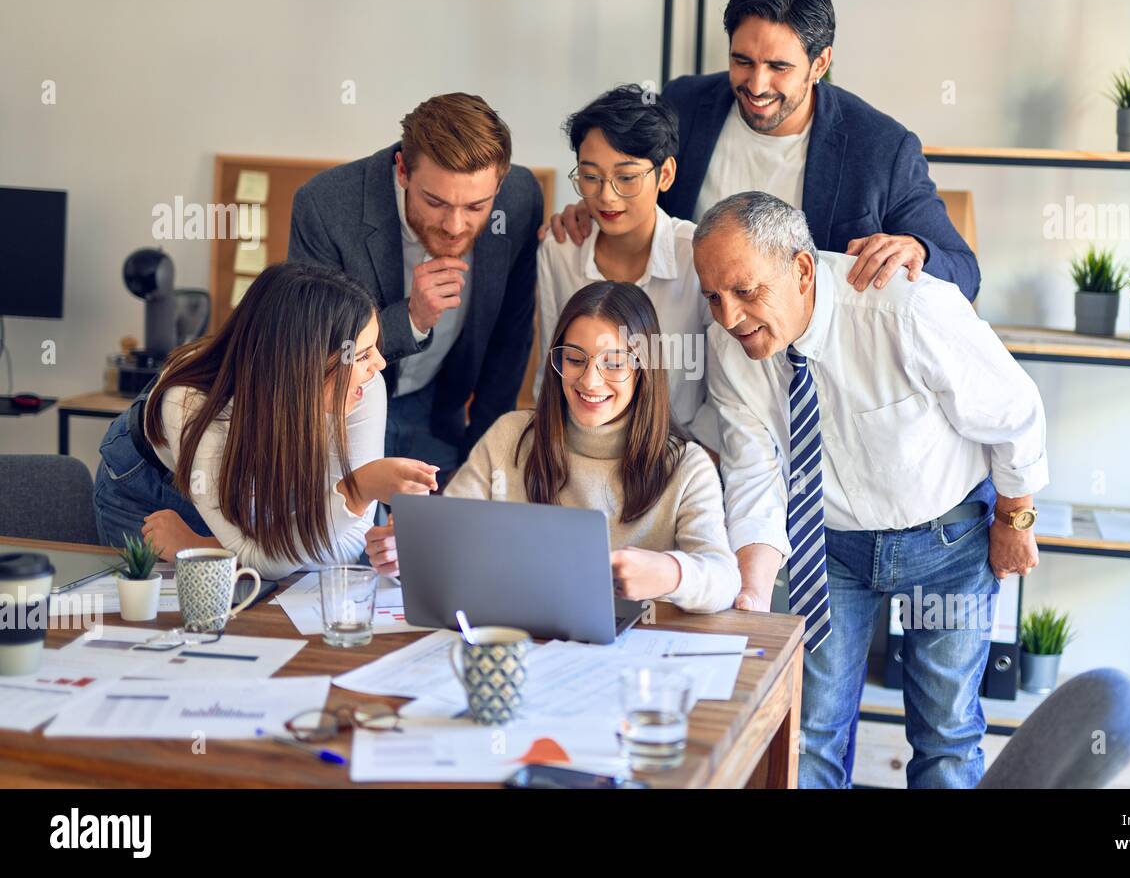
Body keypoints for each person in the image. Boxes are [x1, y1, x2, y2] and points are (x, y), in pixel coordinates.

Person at [694, 192, 1048, 788]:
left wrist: (1015, 521)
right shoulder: (731, 348)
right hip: (832, 551)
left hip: (949, 544)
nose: (729, 317)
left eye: (745, 291)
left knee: (946, 736)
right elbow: (753, 471)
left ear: (802, 269)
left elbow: (1015, 413)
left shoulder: (908, 310)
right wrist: (752, 593)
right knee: (810, 733)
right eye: (713, 297)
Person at [544, 0, 979, 301]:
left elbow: (964, 271)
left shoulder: (881, 148)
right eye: (743, 61)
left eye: (779, 67)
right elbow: (630, 180)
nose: (756, 85)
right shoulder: (686, 104)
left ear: (820, 64)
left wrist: (917, 251)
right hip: (684, 345)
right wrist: (598, 206)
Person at [366, 281, 741, 614]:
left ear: (644, 368)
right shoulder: (510, 436)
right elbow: (448, 540)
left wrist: (672, 573)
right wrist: (409, 551)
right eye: (575, 359)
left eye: (613, 363)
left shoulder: (686, 466)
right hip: (516, 646)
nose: (590, 381)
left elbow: (724, 580)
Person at [93, 262, 439, 580]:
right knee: (184, 622)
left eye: (374, 347)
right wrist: (355, 491)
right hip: (158, 495)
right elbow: (268, 558)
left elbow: (342, 551)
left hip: (255, 494)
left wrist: (202, 548)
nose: (378, 364)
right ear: (304, 366)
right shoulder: (192, 404)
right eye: (362, 354)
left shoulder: (362, 385)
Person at [289, 92, 542, 473]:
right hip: (339, 413)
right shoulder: (325, 206)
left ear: (500, 184)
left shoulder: (521, 200)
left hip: (440, 410)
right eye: (435, 202)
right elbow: (314, 350)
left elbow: (512, 335)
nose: (455, 226)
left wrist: (486, 456)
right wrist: (410, 319)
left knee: (438, 530)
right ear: (403, 171)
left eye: (476, 207)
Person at [537, 83, 716, 447]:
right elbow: (552, 371)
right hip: (578, 451)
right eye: (590, 176)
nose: (606, 195)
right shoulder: (560, 251)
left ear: (665, 175)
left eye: (627, 178)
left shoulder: (697, 257)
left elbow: (724, 392)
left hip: (676, 456)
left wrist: (695, 462)